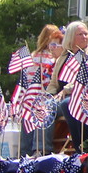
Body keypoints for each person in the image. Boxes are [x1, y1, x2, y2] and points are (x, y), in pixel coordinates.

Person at [50, 19, 88, 150]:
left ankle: (80, 147)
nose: (84, 37)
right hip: (58, 97)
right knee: (39, 107)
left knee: (66, 104)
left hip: (78, 95)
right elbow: (53, 83)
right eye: (80, 34)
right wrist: (49, 95)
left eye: (86, 34)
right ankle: (36, 150)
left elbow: (84, 77)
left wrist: (67, 89)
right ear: (70, 37)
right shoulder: (63, 57)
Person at [26, 23, 64, 155]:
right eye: (52, 44)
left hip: (32, 98)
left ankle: (26, 153)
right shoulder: (51, 60)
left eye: (55, 44)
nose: (52, 48)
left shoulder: (32, 56)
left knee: (31, 112)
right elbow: (50, 84)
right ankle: (39, 150)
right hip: (41, 96)